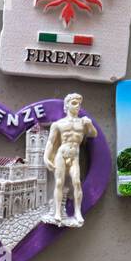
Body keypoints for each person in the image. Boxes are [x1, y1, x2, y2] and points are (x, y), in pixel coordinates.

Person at [42, 92, 97, 228]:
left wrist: (89, 124)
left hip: (74, 155)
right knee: (59, 182)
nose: (77, 106)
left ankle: (78, 212)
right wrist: (46, 157)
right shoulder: (58, 124)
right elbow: (50, 142)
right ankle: (57, 212)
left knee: (77, 182)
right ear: (67, 105)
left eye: (79, 103)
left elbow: (93, 134)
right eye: (74, 103)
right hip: (62, 153)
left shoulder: (83, 122)